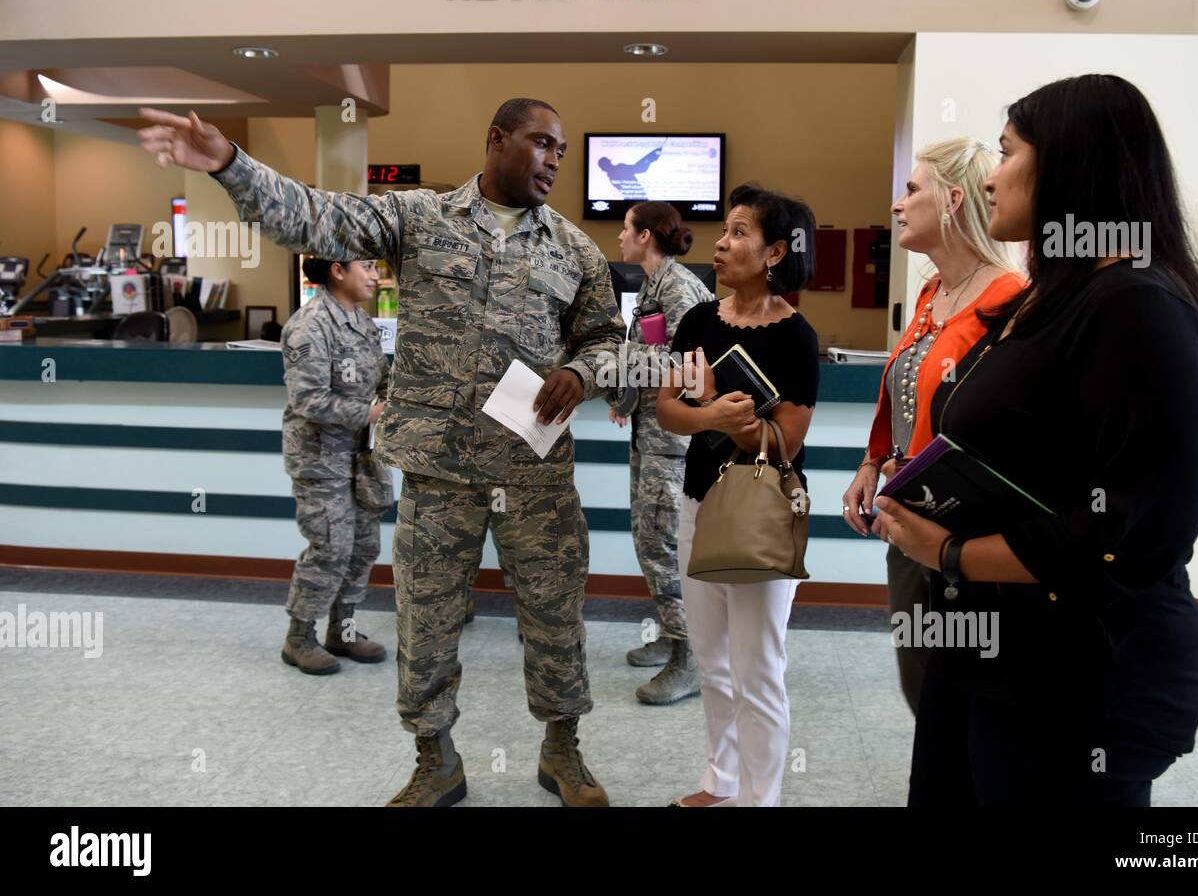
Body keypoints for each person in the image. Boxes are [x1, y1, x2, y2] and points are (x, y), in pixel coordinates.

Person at [137, 98, 625, 808]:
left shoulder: (574, 249)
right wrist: (228, 165)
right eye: (541, 142)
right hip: (437, 469)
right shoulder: (418, 218)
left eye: (563, 149)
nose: (554, 158)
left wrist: (583, 371)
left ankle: (563, 749)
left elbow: (609, 339)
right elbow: (313, 216)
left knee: (555, 615)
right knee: (425, 619)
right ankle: (436, 758)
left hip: (533, 475)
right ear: (496, 140)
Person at [871, 74, 1198, 806]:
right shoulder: (1050, 297)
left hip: (1077, 669)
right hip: (981, 642)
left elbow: (1134, 527)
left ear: (1071, 163)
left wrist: (948, 549)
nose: (991, 177)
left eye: (1006, 152)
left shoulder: (1138, 304)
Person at [840, 138, 1024, 714]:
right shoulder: (929, 293)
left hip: (965, 536)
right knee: (923, 687)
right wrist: (872, 462)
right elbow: (902, 394)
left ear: (950, 201)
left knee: (961, 694)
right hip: (907, 524)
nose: (898, 204)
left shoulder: (1009, 298)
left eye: (912, 189)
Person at [657, 183, 820, 807]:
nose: (721, 245)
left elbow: (788, 443)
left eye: (739, 233)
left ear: (776, 251)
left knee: (758, 672)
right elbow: (668, 410)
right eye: (724, 232)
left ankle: (761, 799)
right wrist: (710, 418)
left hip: (763, 513)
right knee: (713, 662)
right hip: (699, 506)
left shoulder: (797, 337)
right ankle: (720, 782)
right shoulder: (698, 320)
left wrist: (744, 424)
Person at [606, 202, 713, 705]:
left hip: (674, 447)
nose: (619, 238)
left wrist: (618, 359)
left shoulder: (679, 289)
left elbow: (690, 365)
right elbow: (653, 359)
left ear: (645, 235)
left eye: (626, 229)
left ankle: (688, 658)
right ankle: (672, 637)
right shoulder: (653, 286)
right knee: (651, 539)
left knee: (665, 545)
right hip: (650, 438)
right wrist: (626, 398)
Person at [278, 254, 392, 675]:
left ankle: (341, 632)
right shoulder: (310, 325)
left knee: (364, 546)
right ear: (337, 271)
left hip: (360, 456)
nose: (375, 274)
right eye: (366, 266)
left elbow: (378, 378)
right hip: (319, 459)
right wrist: (372, 413)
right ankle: (299, 637)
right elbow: (307, 400)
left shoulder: (360, 321)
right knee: (331, 547)